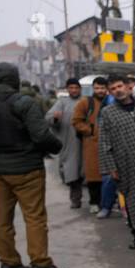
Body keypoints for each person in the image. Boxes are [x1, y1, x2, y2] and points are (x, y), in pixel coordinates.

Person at [0, 62, 68, 268]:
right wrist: (57, 148)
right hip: (26, 169)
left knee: (0, 218)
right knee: (34, 217)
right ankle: (40, 262)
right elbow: (42, 136)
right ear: (14, 79)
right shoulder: (23, 102)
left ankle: (8, 263)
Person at [98, 75, 135, 249]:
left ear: (128, 87)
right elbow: (104, 142)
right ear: (110, 92)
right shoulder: (108, 113)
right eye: (113, 88)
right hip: (125, 165)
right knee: (132, 199)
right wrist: (111, 167)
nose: (117, 90)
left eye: (120, 86)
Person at [46, 78, 84, 208]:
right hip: (69, 142)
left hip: (86, 142)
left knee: (87, 171)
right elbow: (49, 118)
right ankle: (75, 199)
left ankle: (95, 201)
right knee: (71, 171)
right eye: (71, 88)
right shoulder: (61, 102)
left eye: (76, 87)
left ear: (80, 89)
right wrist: (55, 119)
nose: (74, 90)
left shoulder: (85, 101)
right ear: (67, 89)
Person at [72, 77, 107, 214]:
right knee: (94, 175)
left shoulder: (111, 101)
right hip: (92, 143)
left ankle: (107, 203)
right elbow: (76, 121)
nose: (100, 91)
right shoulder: (86, 102)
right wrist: (91, 130)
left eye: (103, 88)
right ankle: (94, 202)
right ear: (93, 88)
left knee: (109, 175)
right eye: (97, 88)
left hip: (110, 143)